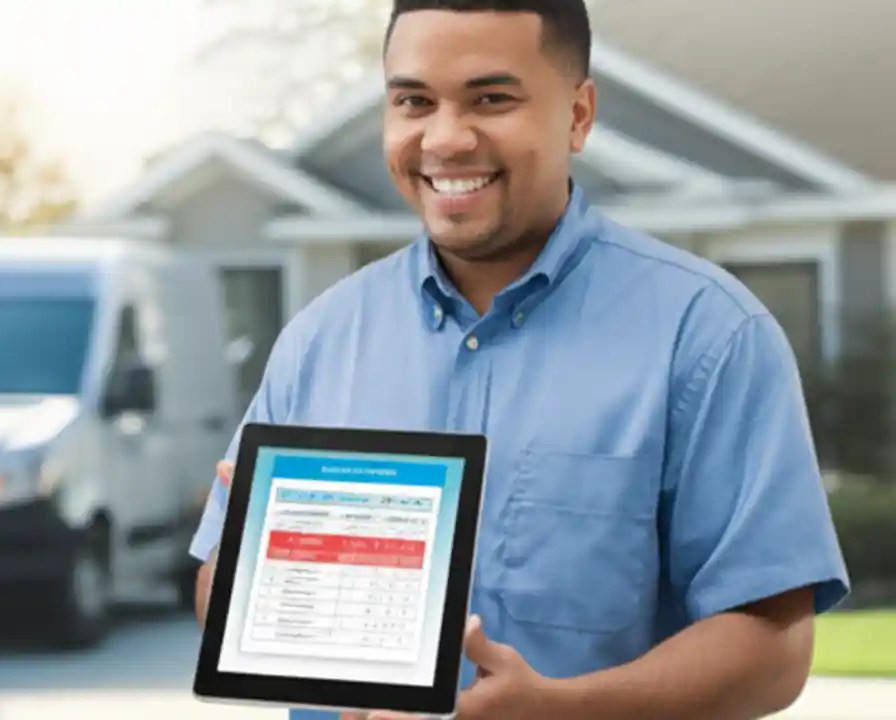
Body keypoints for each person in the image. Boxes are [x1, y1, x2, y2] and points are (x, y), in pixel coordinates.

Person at [189, 1, 850, 718]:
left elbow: (771, 645)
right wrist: (266, 568)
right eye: (414, 101)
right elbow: (216, 582)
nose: (444, 138)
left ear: (578, 114)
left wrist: (558, 710)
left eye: (491, 99)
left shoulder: (708, 334)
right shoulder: (319, 340)